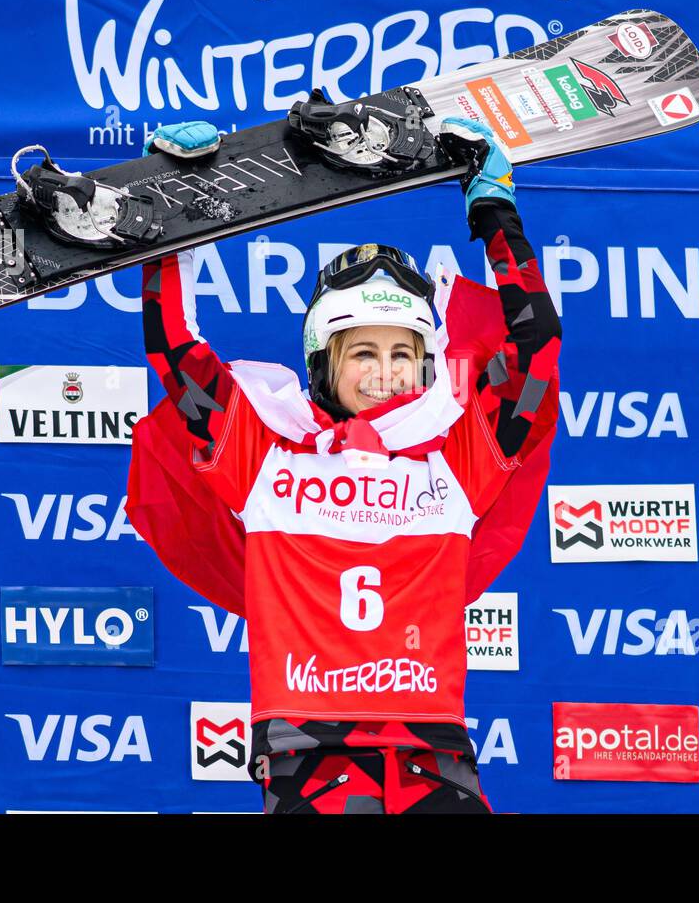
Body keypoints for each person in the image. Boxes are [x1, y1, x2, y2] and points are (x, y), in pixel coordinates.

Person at [126, 115, 561, 813]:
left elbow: (536, 349)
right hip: (308, 752)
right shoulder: (264, 458)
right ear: (324, 364)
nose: (385, 373)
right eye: (363, 353)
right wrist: (166, 213)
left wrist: (494, 209)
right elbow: (176, 349)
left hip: (432, 753)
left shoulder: (455, 462)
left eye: (402, 354)